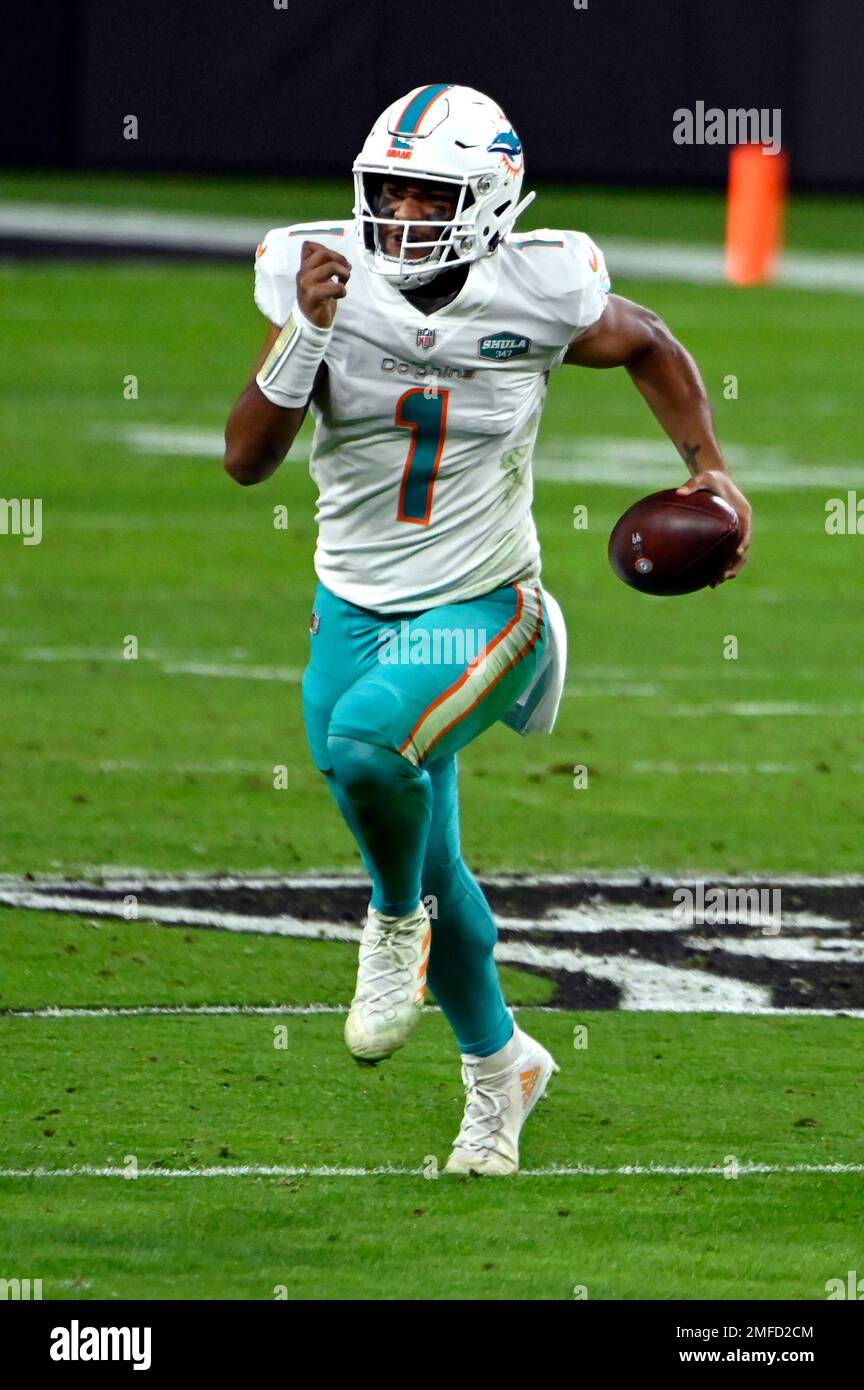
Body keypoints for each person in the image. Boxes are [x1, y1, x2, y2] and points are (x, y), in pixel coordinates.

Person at [223, 83, 752, 1175]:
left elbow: (647, 341)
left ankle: (385, 930)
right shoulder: (318, 272)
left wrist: (708, 470)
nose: (404, 213)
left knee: (374, 750)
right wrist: (305, 333)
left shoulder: (542, 283)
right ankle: (500, 1068)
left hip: (485, 604)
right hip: (351, 606)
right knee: (429, 848)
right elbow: (247, 460)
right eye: (390, 188)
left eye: (431, 191)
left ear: (492, 201)